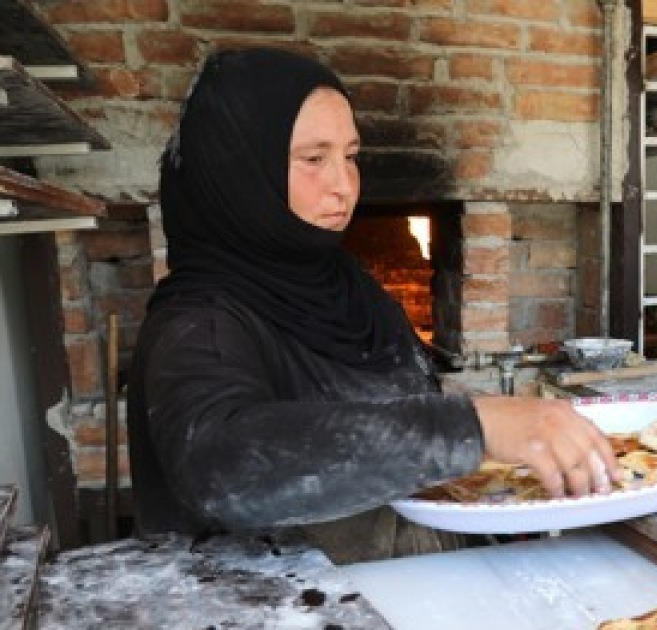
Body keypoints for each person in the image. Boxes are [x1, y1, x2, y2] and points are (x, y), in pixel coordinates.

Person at [127, 47, 620, 562]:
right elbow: (220, 464)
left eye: (350, 156)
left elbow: (403, 415)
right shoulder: (197, 323)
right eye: (313, 159)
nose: (344, 186)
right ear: (238, 171)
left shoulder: (348, 289)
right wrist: (476, 425)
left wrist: (510, 449)